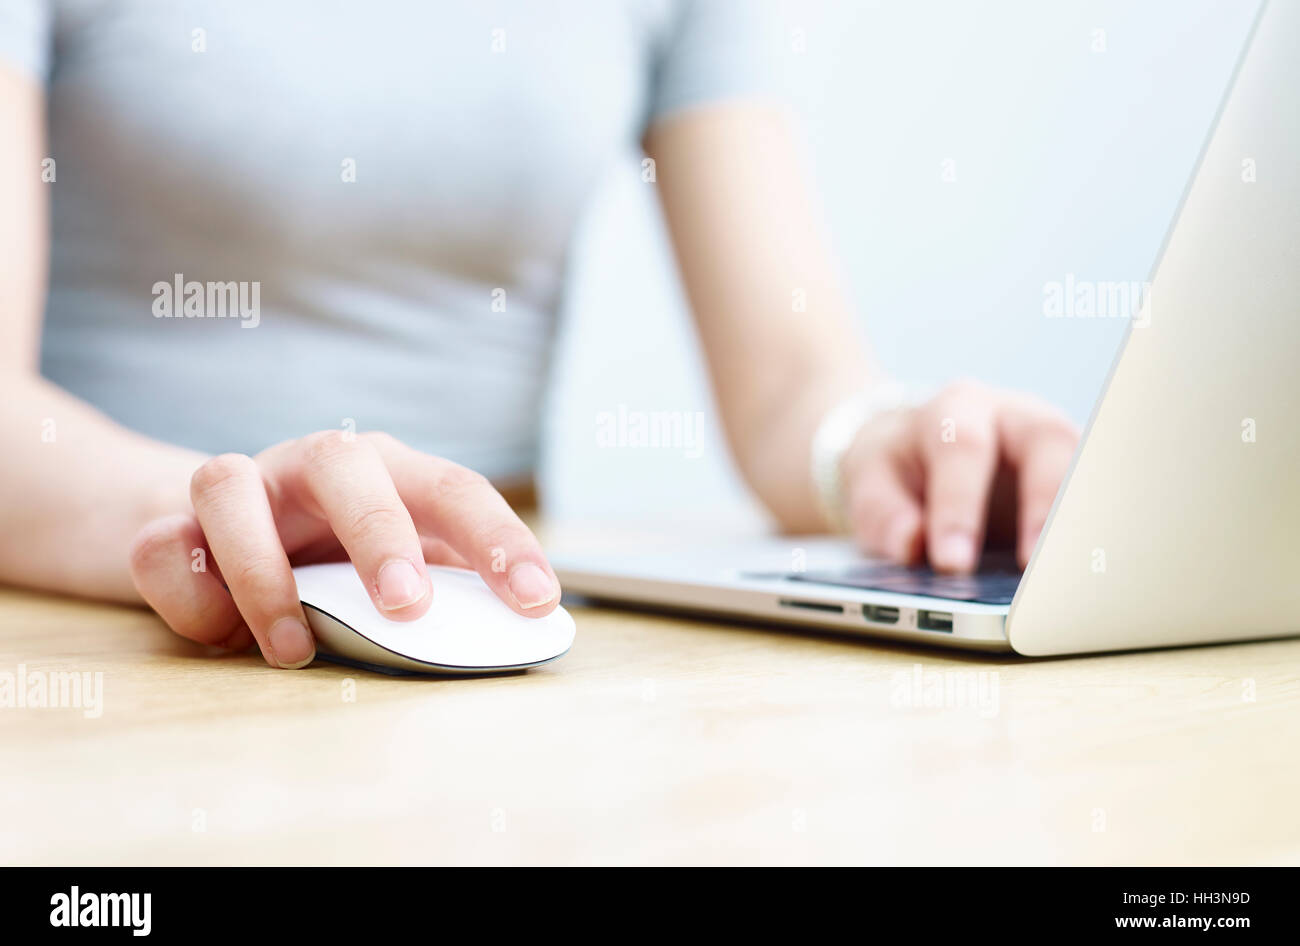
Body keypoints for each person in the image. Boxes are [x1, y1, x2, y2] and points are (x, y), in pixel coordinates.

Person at [0, 1, 1079, 669]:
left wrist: (873, 447)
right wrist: (214, 511)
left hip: (480, 613)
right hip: (107, 618)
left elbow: (791, 381)